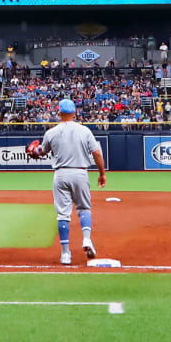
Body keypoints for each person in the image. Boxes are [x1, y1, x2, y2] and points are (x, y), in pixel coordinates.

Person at [27, 98, 106, 265]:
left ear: (60, 113)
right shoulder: (85, 131)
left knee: (63, 214)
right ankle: (86, 239)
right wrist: (102, 174)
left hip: (61, 174)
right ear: (74, 113)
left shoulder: (52, 132)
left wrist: (33, 151)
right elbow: (97, 154)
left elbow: (41, 152)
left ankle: (65, 254)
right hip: (80, 173)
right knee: (84, 208)